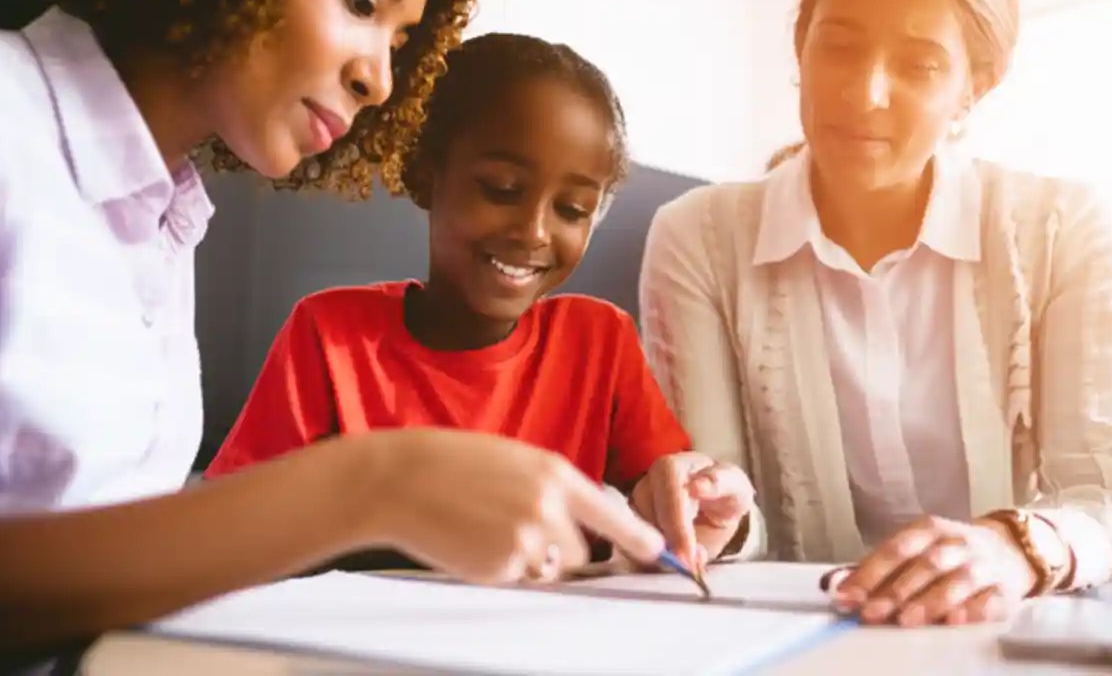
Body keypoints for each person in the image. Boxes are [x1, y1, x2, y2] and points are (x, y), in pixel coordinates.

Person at [0, 0, 672, 669]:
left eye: (400, 42)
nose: (380, 79)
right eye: (359, 0)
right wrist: (372, 487)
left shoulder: (166, 218)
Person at [639, 0, 1112, 628]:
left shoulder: (1063, 228)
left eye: (920, 65)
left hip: (1002, 639)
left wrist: (1009, 549)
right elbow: (734, 514)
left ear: (975, 86)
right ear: (800, 47)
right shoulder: (697, 236)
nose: (865, 93)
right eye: (838, 46)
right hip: (795, 642)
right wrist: (712, 514)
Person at [206, 33, 760, 574]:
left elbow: (666, 502)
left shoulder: (599, 342)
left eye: (572, 209)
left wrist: (709, 513)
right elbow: (226, 526)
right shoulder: (329, 335)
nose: (534, 231)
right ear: (425, 177)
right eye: (501, 189)